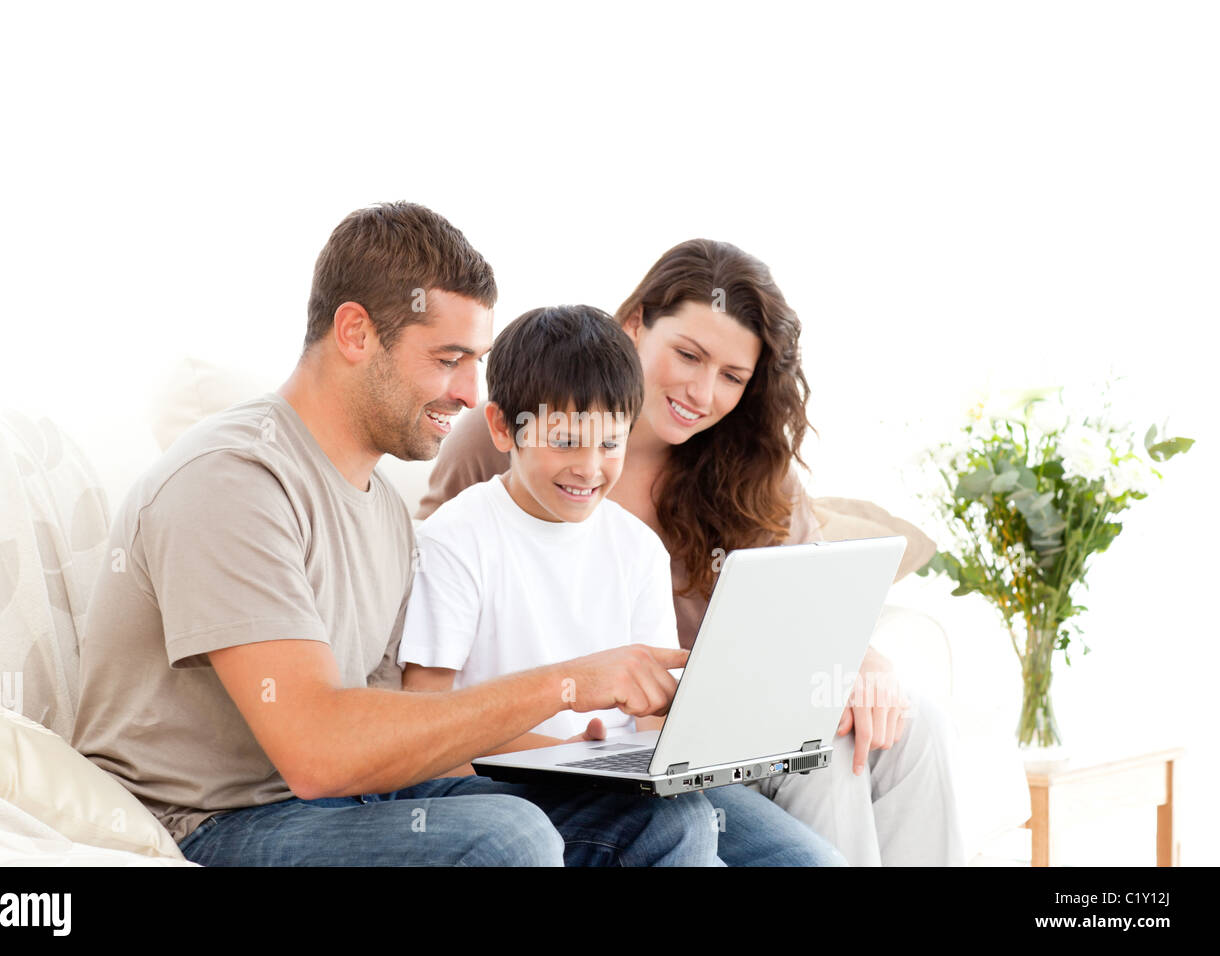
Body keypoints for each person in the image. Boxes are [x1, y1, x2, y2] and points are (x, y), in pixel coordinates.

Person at [70, 202, 723, 866]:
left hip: (354, 802)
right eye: (449, 359)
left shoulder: (382, 508)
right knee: (508, 837)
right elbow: (319, 753)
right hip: (211, 820)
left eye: (477, 362)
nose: (470, 393)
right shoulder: (233, 479)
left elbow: (395, 726)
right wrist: (568, 684)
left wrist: (578, 759)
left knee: (664, 822)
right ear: (355, 333)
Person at [418, 239, 970, 866]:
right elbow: (430, 605)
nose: (703, 392)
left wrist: (864, 658)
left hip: (708, 734)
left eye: (732, 377)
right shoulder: (504, 439)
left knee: (911, 721)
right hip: (591, 747)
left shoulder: (750, 472)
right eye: (688, 354)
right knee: (833, 757)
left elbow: (812, 607)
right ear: (635, 326)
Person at [398, 304, 845, 866]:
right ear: (501, 428)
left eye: (610, 443)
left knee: (810, 860)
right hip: (486, 785)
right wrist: (561, 755)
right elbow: (421, 723)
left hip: (615, 779)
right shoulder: (455, 540)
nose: (589, 467)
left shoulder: (636, 549)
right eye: (564, 441)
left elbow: (650, 719)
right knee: (676, 825)